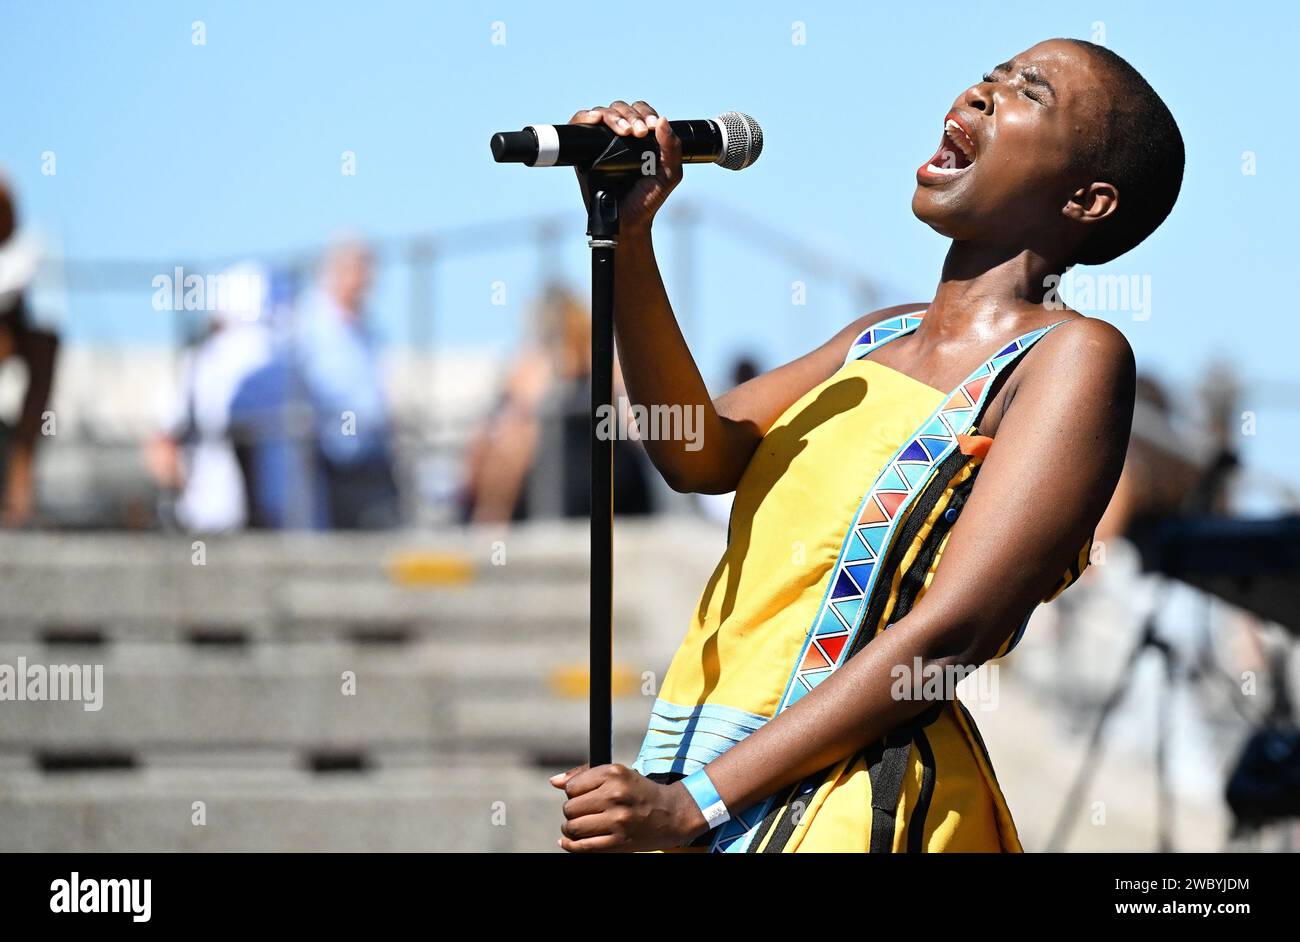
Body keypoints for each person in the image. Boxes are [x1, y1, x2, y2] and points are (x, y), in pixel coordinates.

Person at [551, 38, 1181, 852]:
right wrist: (630, 238)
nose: (983, 92)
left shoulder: (1071, 358)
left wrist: (694, 805)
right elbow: (694, 451)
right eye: (989, 72)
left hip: (856, 804)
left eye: (1029, 91)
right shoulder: (872, 340)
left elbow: (953, 634)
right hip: (704, 774)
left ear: (1089, 202)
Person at [459, 282, 654, 524]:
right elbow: (644, 428)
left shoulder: (535, 373)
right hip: (610, 494)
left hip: (577, 494)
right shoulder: (606, 367)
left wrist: (490, 517)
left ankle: (487, 522)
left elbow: (509, 448)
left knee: (515, 432)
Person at [148, 262, 274, 532]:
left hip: (209, 517)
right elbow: (162, 448)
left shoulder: (197, 363)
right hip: (222, 517)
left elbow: (161, 449)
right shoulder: (204, 364)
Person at [291, 238, 399, 529]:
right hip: (330, 457)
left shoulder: (368, 328)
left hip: (372, 454)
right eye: (359, 269)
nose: (366, 280)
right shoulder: (307, 321)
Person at [0, 178, 58, 528]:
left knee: (44, 347)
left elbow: (12, 284)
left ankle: (20, 475)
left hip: (13, 333)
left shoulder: (26, 247)